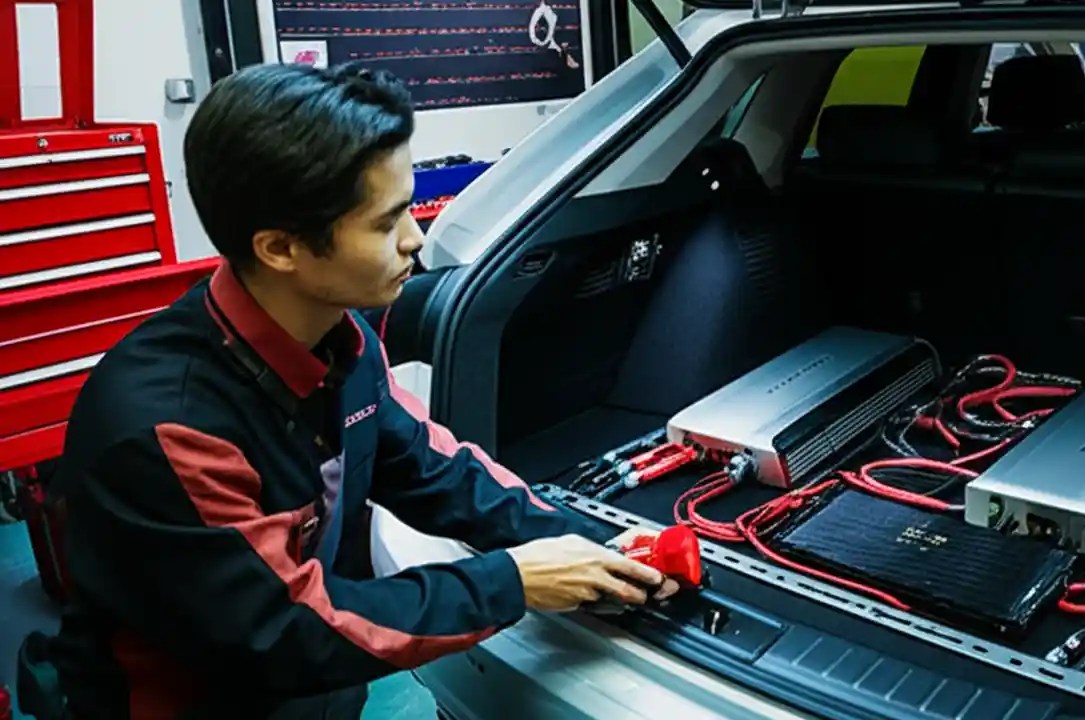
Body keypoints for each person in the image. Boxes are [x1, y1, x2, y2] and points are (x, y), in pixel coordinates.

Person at [45, 63, 677, 719]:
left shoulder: (343, 343)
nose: (416, 239)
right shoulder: (169, 427)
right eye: (386, 222)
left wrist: (589, 544)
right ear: (281, 248)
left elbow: (432, 470)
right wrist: (511, 582)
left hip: (311, 691)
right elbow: (282, 630)